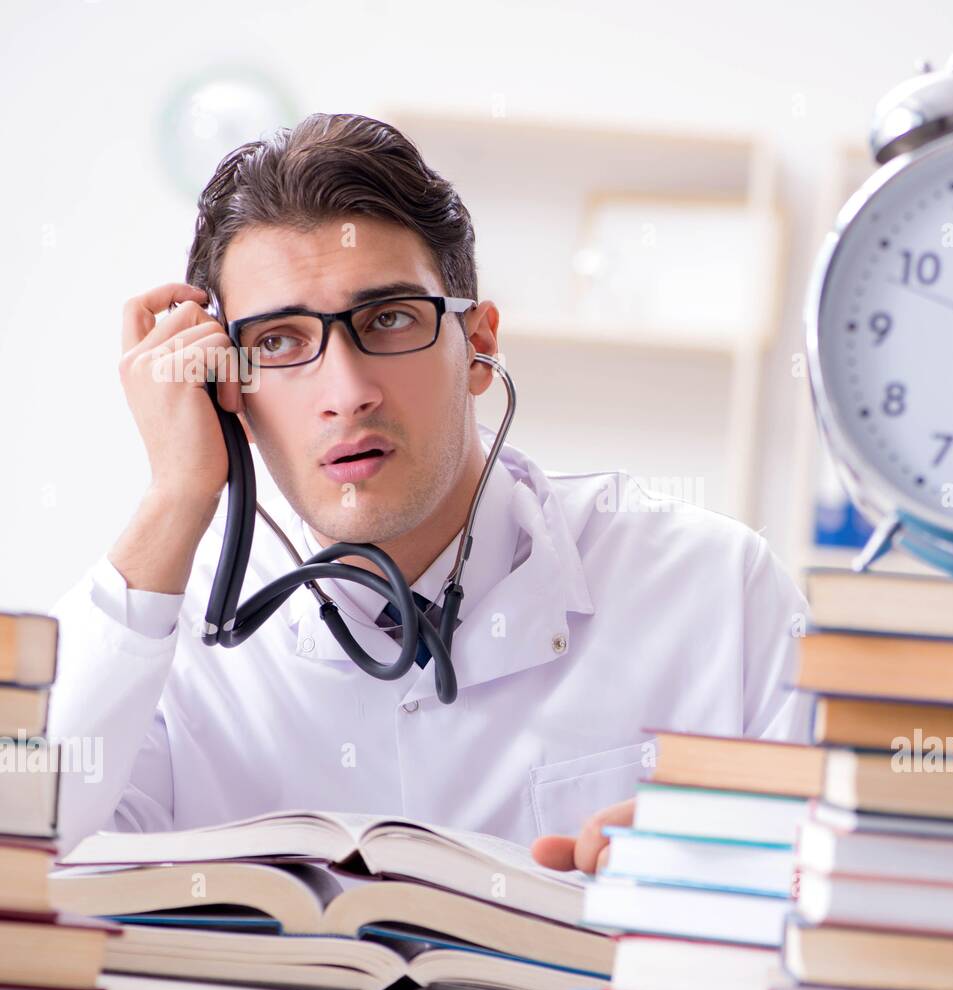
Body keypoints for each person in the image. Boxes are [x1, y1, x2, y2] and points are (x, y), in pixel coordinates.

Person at [48, 112, 812, 875]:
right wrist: (177, 494)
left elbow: (837, 904)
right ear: (228, 390)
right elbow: (29, 851)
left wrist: (722, 884)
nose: (345, 394)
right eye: (279, 341)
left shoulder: (719, 592)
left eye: (387, 320)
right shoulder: (162, 629)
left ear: (478, 346)